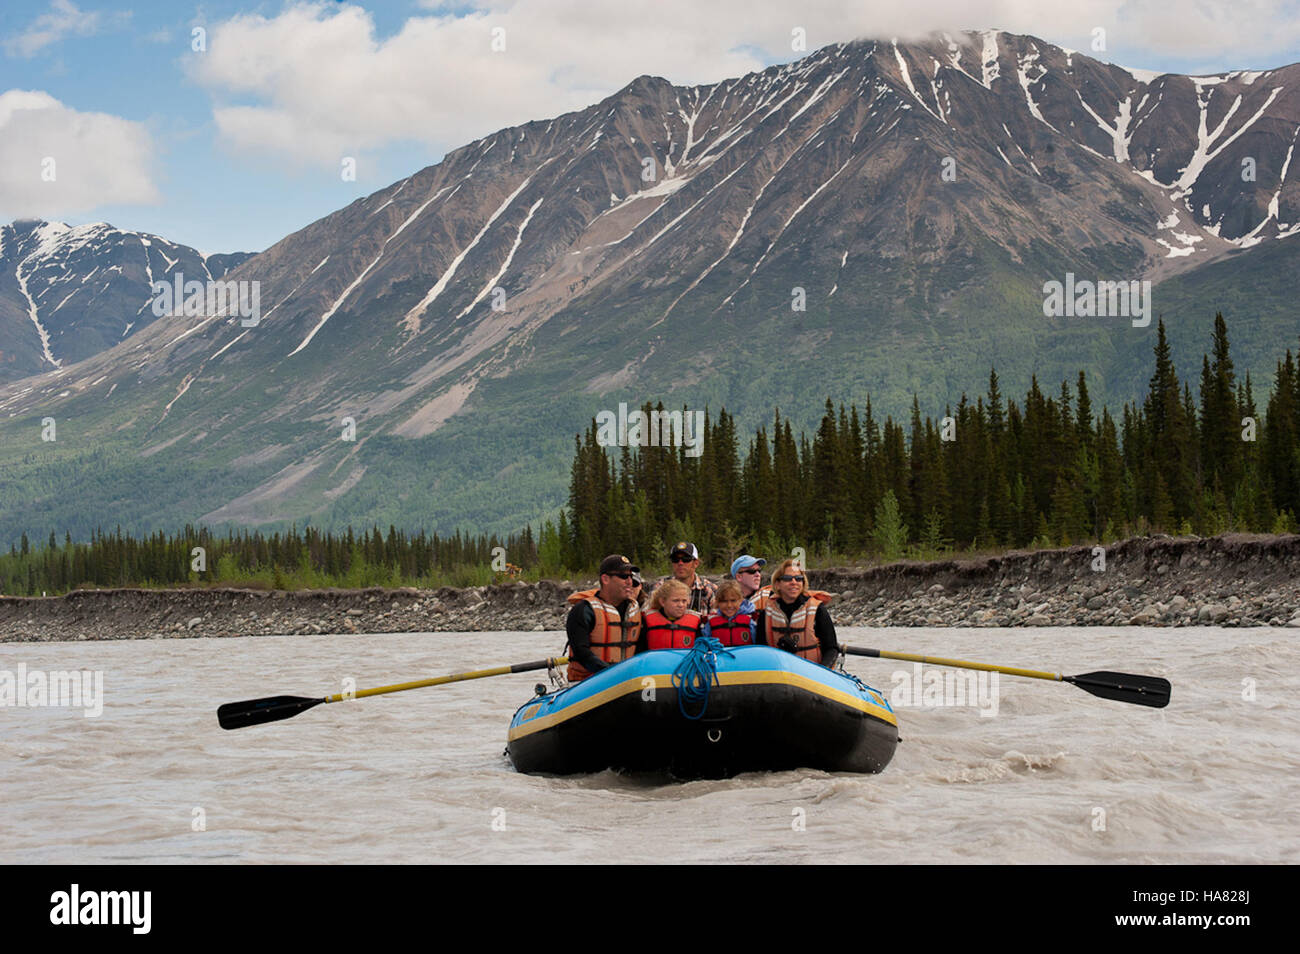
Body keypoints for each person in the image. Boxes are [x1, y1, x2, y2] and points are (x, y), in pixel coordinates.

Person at [564, 554, 642, 682]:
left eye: (630, 576)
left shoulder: (635, 610)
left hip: (625, 682)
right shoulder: (583, 610)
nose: (630, 581)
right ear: (605, 579)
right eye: (623, 576)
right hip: (586, 683)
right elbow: (581, 652)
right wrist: (611, 674)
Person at [755, 559, 839, 667]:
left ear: (803, 583)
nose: (794, 582)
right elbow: (761, 649)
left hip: (812, 673)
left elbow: (831, 649)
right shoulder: (766, 614)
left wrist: (823, 671)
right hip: (779, 672)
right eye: (787, 579)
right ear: (777, 584)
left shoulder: (818, 610)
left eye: (798, 579)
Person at [651, 541, 716, 615]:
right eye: (675, 559)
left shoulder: (710, 590)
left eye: (686, 559)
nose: (680, 563)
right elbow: (649, 613)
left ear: (696, 563)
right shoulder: (660, 587)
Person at [639, 579, 703, 650]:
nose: (681, 605)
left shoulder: (696, 622)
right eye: (676, 601)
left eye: (684, 601)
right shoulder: (647, 621)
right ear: (662, 602)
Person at [701, 579, 757, 646]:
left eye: (733, 601)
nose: (729, 605)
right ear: (718, 602)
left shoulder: (750, 622)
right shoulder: (710, 623)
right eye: (724, 601)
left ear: (740, 600)